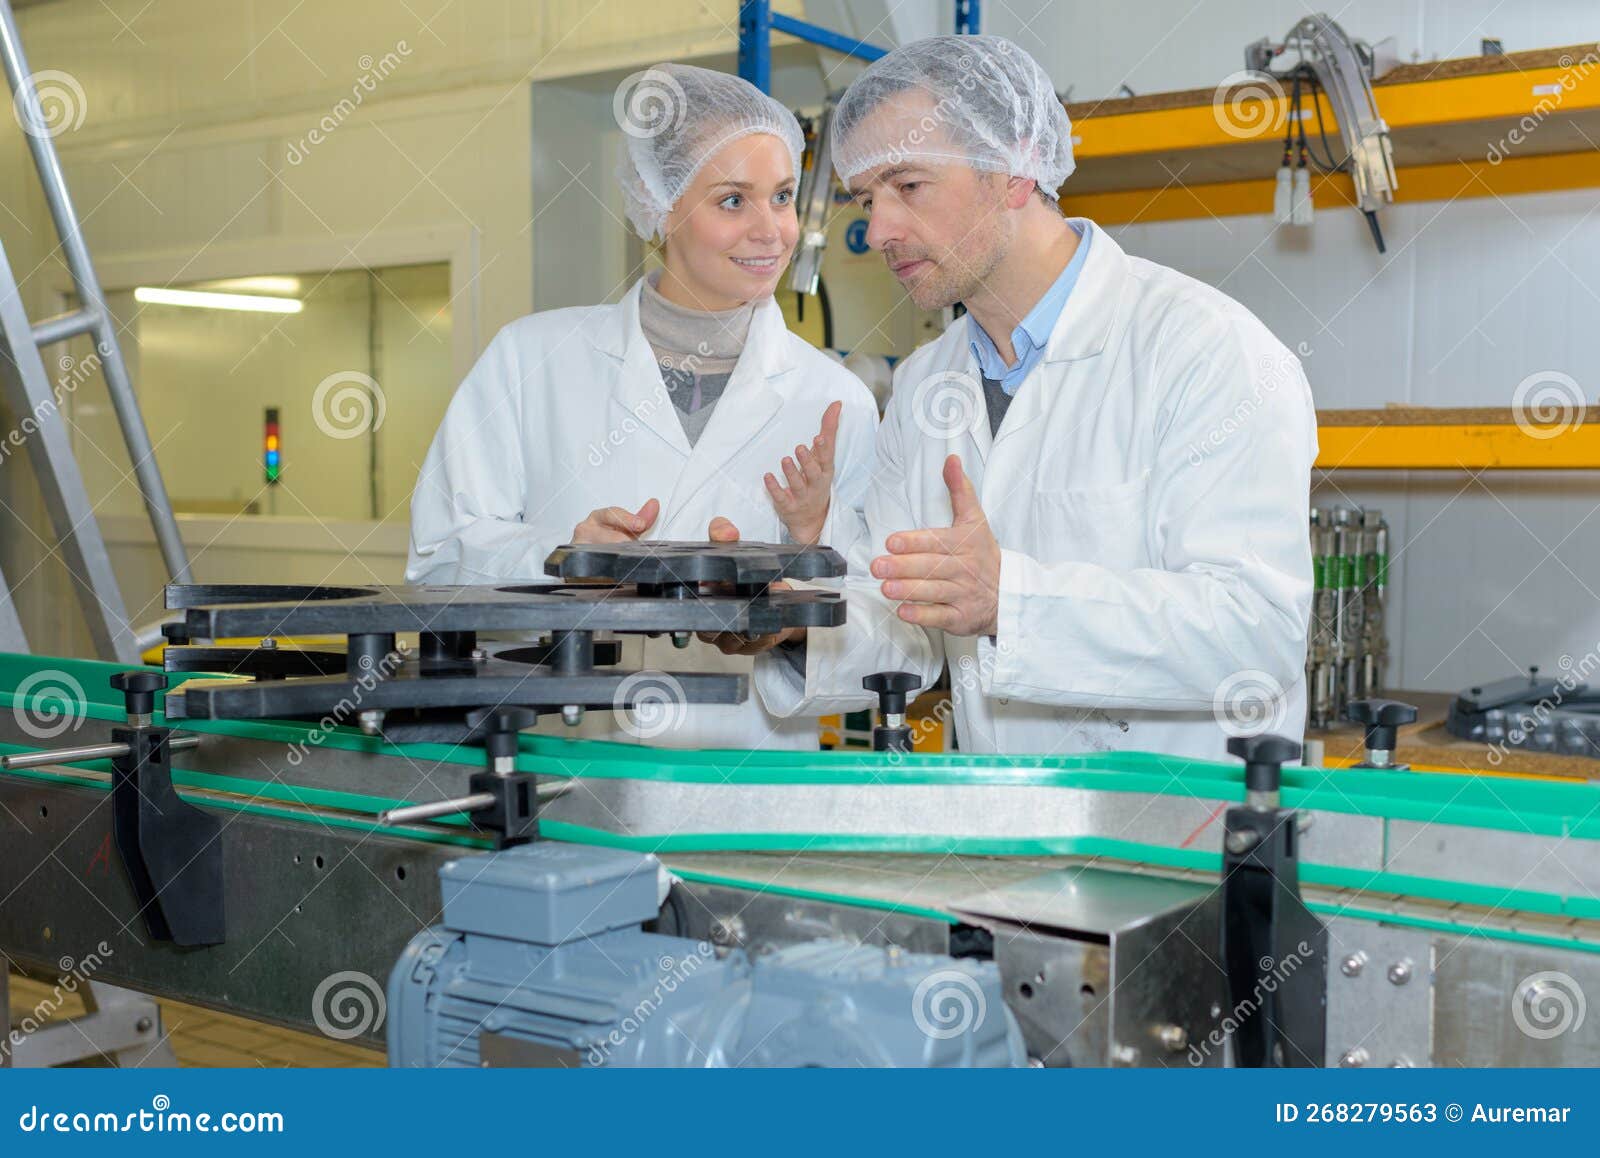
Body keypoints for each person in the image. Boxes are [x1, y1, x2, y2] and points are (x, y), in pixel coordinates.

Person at [721, 36, 1317, 761]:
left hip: (1181, 837)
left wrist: (1013, 601)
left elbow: (1257, 632)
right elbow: (905, 624)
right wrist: (794, 620)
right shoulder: (924, 386)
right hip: (1006, 835)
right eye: (867, 200)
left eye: (907, 187)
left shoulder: (1208, 351)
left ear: (1014, 168)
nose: (878, 231)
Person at [407, 63, 877, 750]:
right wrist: (563, 560)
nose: (771, 229)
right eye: (731, 201)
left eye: (781, 196)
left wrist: (796, 605)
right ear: (659, 207)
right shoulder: (530, 359)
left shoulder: (834, 399)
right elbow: (436, 564)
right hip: (562, 775)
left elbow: (891, 634)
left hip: (750, 792)